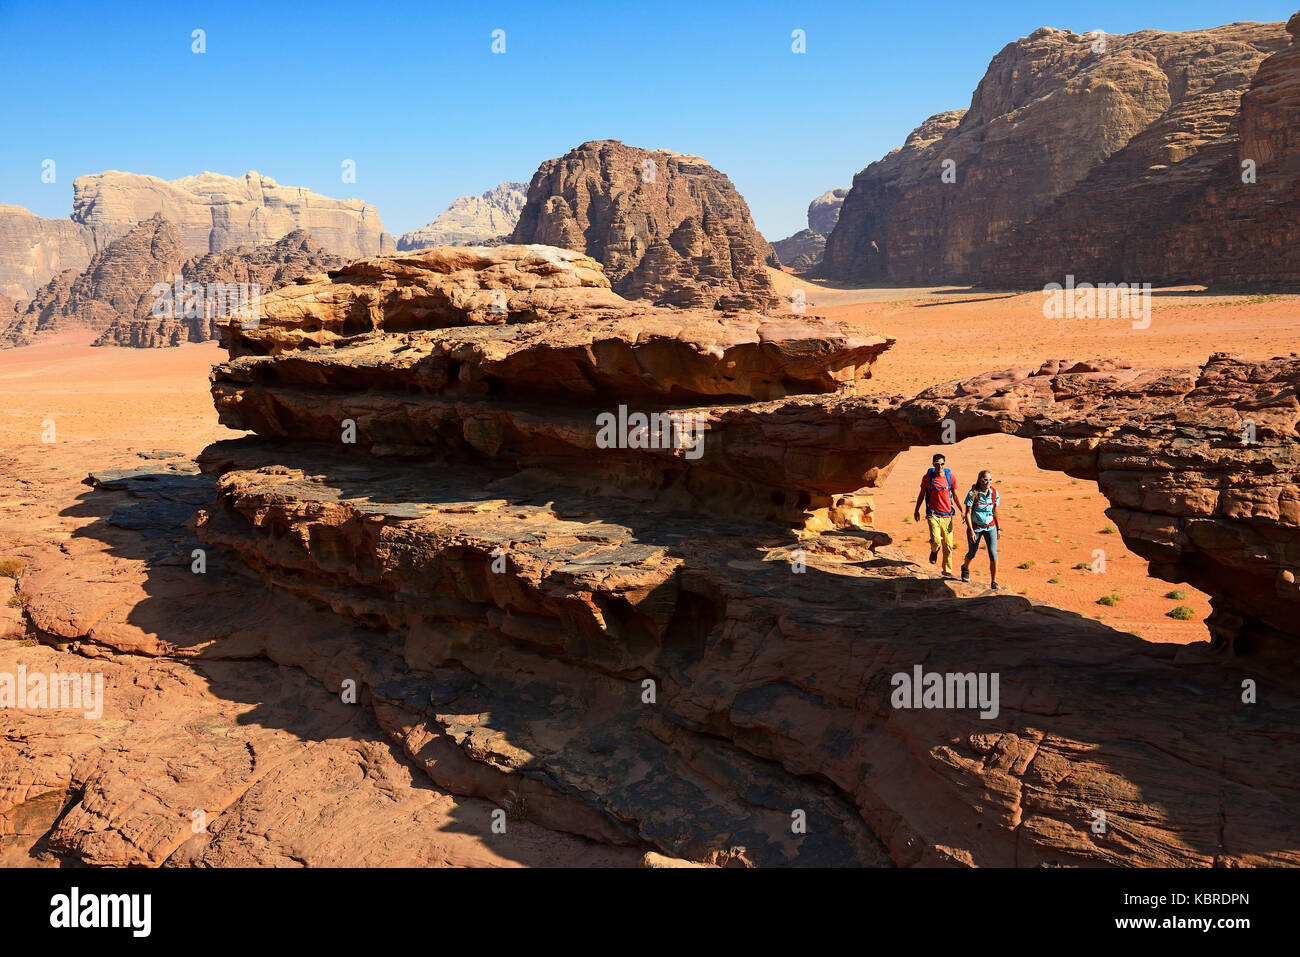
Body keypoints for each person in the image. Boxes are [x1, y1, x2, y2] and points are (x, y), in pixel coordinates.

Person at [913, 453, 964, 578]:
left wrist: (962, 510)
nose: (940, 466)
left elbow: (955, 495)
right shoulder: (927, 478)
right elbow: (921, 495)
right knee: (936, 540)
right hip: (933, 514)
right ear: (933, 464)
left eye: (942, 464)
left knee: (948, 545)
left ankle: (947, 571)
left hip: (947, 515)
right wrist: (916, 510)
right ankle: (934, 551)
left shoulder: (950, 477)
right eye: (937, 464)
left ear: (944, 464)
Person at [960, 470, 1000, 590]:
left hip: (990, 527)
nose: (987, 482)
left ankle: (994, 581)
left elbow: (995, 512)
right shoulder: (973, 493)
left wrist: (998, 528)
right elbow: (967, 513)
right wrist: (971, 530)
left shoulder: (994, 493)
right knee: (972, 553)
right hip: (976, 528)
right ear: (979, 480)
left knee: (993, 554)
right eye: (985, 480)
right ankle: (965, 568)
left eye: (989, 480)